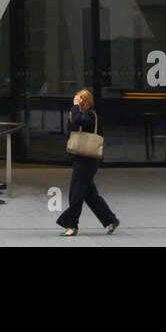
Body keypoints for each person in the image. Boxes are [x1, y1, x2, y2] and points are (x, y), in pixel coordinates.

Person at [56, 89, 119, 237]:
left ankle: (71, 225)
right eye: (77, 100)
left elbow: (80, 121)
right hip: (79, 157)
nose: (78, 103)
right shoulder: (77, 114)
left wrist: (74, 107)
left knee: (76, 193)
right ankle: (110, 219)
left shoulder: (91, 115)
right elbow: (70, 129)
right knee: (90, 194)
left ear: (87, 102)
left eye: (80, 100)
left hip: (88, 160)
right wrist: (74, 113)